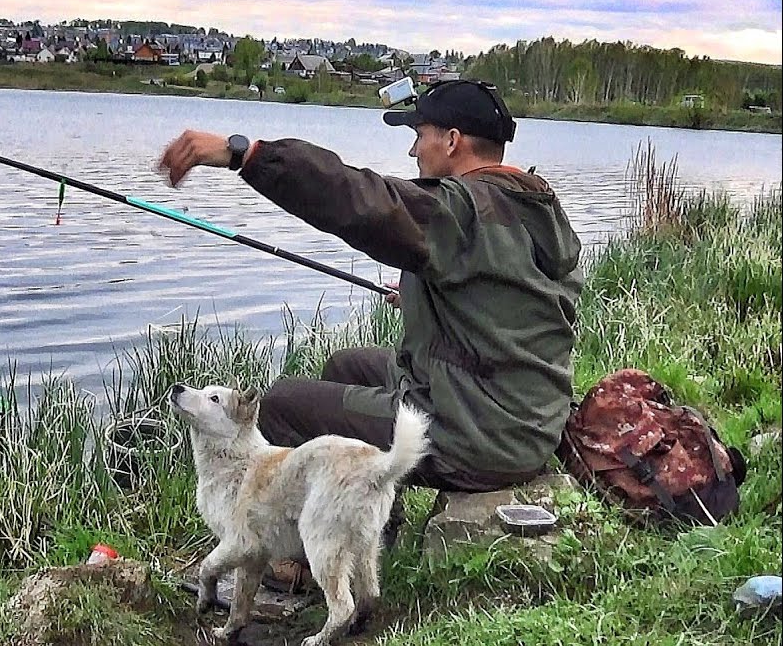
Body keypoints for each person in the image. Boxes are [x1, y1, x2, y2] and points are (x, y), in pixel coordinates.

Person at [157, 79, 583, 550]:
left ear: (452, 141)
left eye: (420, 136)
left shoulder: (460, 209)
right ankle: (373, 524)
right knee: (345, 365)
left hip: (477, 434)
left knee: (281, 403)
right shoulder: (530, 203)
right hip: (526, 417)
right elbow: (508, 294)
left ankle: (297, 553)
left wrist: (247, 155)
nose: (413, 151)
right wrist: (426, 295)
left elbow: (361, 202)